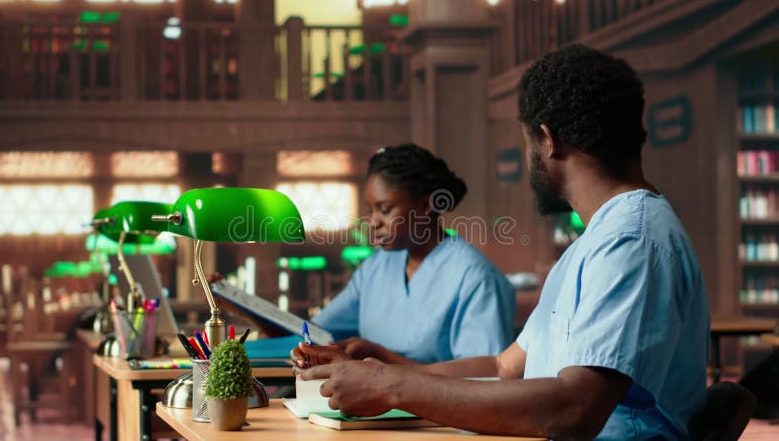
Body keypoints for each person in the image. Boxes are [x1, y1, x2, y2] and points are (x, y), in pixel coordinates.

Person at [296, 45, 710, 440]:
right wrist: (372, 371)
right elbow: (503, 366)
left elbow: (575, 408)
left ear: (548, 140)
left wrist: (391, 387)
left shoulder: (630, 241)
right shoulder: (598, 240)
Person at [301, 143, 517, 365]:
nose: (374, 222)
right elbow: (317, 331)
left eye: (385, 210)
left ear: (426, 206)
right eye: (371, 210)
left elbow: (485, 379)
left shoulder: (476, 278)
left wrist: (381, 357)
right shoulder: (377, 267)